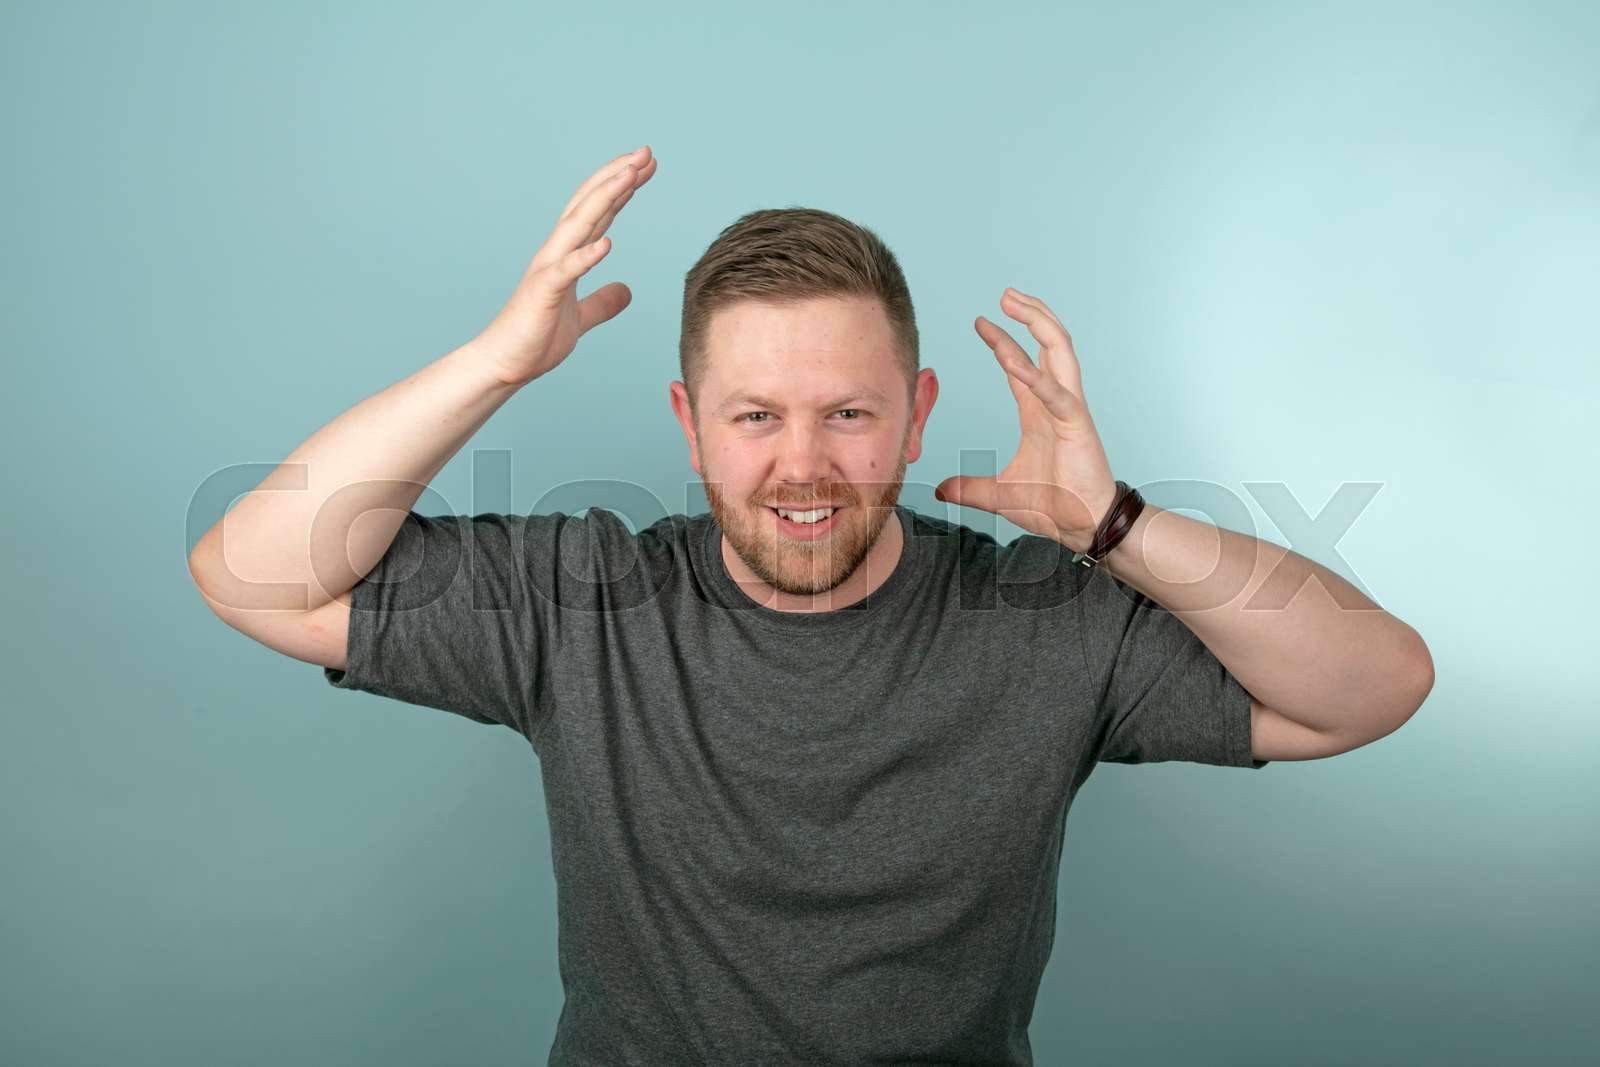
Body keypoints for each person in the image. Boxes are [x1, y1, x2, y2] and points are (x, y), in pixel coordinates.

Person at [187, 145, 1435, 1066]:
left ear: (916, 413)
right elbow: (248, 571)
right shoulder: (581, 599)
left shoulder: (1044, 611)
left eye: (846, 411)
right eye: (753, 416)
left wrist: (1114, 526)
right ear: (689, 425)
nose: (802, 464)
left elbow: (1373, 687)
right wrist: (498, 362)